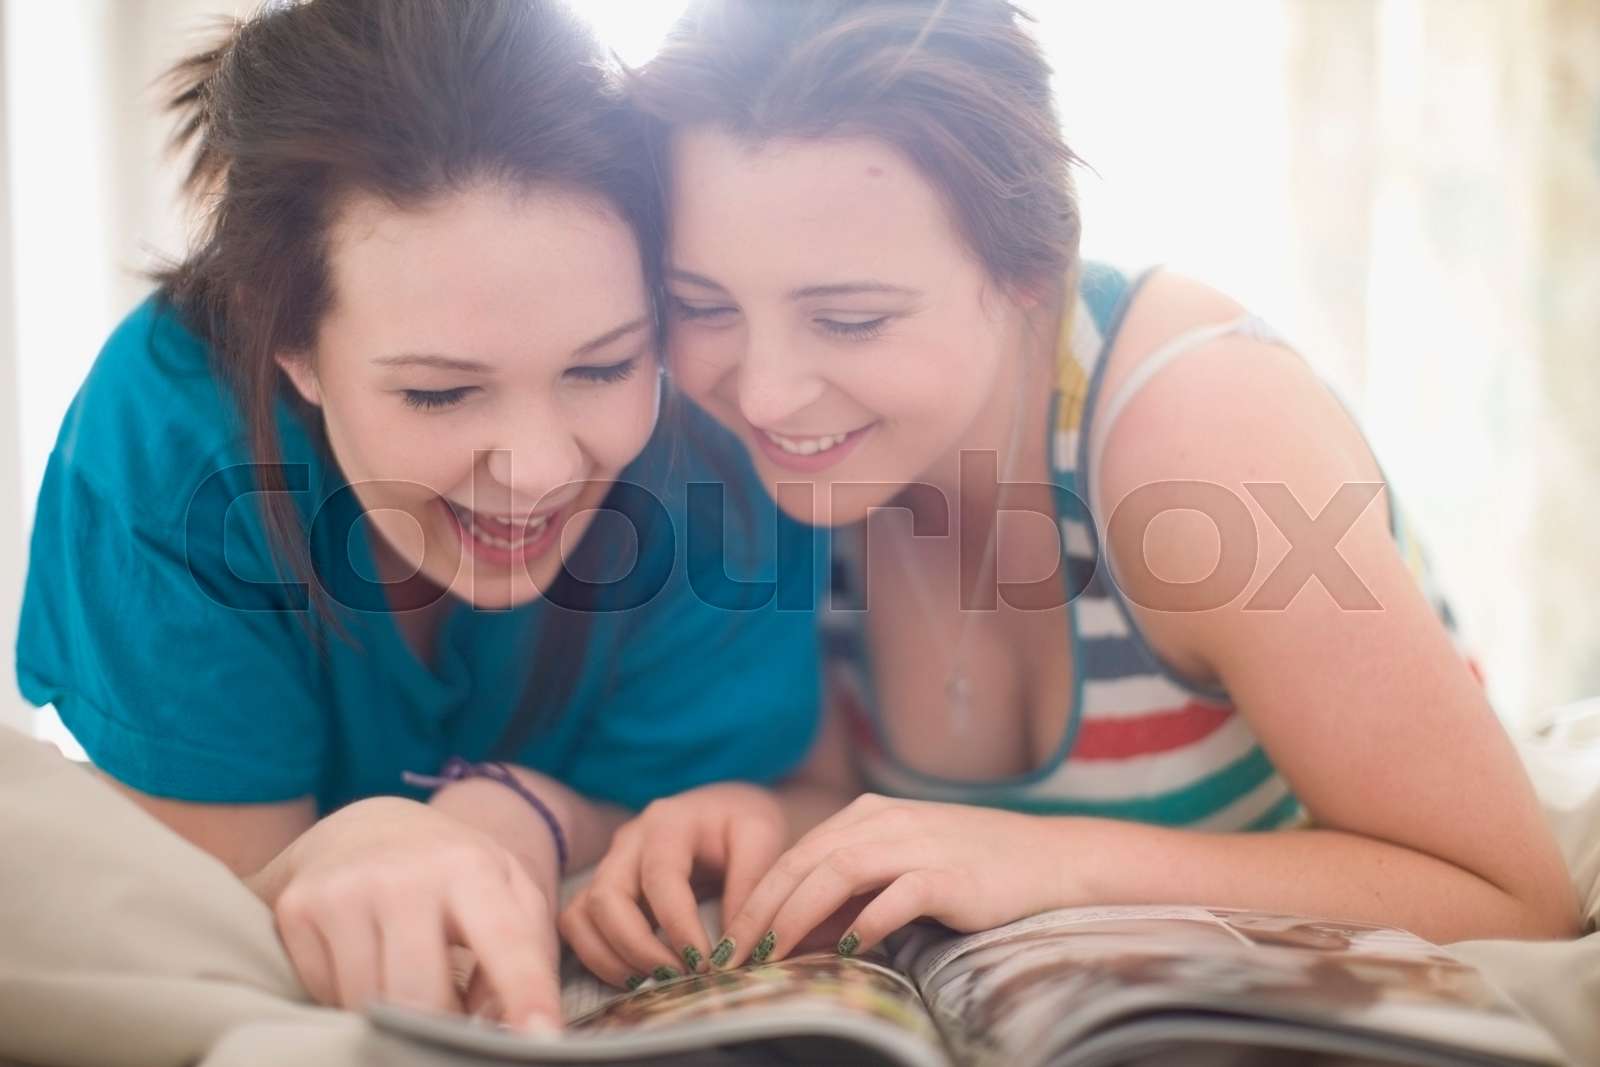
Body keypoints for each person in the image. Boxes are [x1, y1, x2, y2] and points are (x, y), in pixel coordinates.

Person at [560, 0, 1579, 988]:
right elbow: (862, 797)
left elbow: (1509, 895)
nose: (765, 390)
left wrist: (1052, 860)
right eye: (702, 305)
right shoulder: (742, 439)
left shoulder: (1196, 429)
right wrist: (762, 814)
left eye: (853, 320)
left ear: (1027, 270)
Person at [14, 0, 823, 1030]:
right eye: (439, 393)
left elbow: (709, 817)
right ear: (290, 347)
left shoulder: (713, 444)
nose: (535, 469)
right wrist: (342, 850)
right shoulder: (175, 432)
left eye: (604, 364)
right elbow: (214, 909)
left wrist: (532, 812)